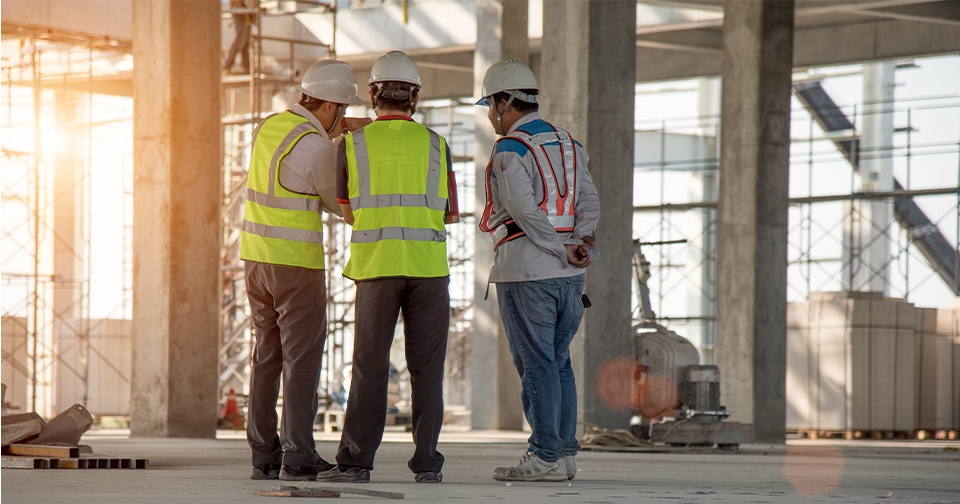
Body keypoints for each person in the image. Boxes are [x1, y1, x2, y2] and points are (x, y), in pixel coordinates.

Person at [318, 50, 459, 484]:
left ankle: (356, 463)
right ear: (415, 97)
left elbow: (347, 211)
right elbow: (449, 213)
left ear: (372, 95)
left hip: (377, 268)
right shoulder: (437, 145)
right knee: (427, 369)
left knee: (370, 367)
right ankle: (428, 464)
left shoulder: (352, 145)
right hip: (429, 269)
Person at [241, 59, 369, 481]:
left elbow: (292, 168)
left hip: (256, 261)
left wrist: (340, 131)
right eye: (341, 110)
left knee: (267, 357)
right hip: (296, 266)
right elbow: (337, 204)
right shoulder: (316, 148)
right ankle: (298, 456)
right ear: (331, 106)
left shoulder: (268, 127)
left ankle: (264, 454)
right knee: (302, 361)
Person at [476, 59, 600, 482]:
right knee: (558, 364)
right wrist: (581, 242)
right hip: (571, 278)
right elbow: (589, 199)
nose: (490, 115)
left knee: (538, 365)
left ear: (504, 102)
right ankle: (563, 455)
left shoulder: (510, 148)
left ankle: (544, 456)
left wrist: (559, 247)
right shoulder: (570, 144)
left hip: (528, 273)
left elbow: (522, 209)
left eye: (490, 105)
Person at [223, 0, 252, 74]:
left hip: (246, 10)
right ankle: (227, 64)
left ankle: (246, 67)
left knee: (245, 42)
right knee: (240, 40)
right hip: (240, 9)